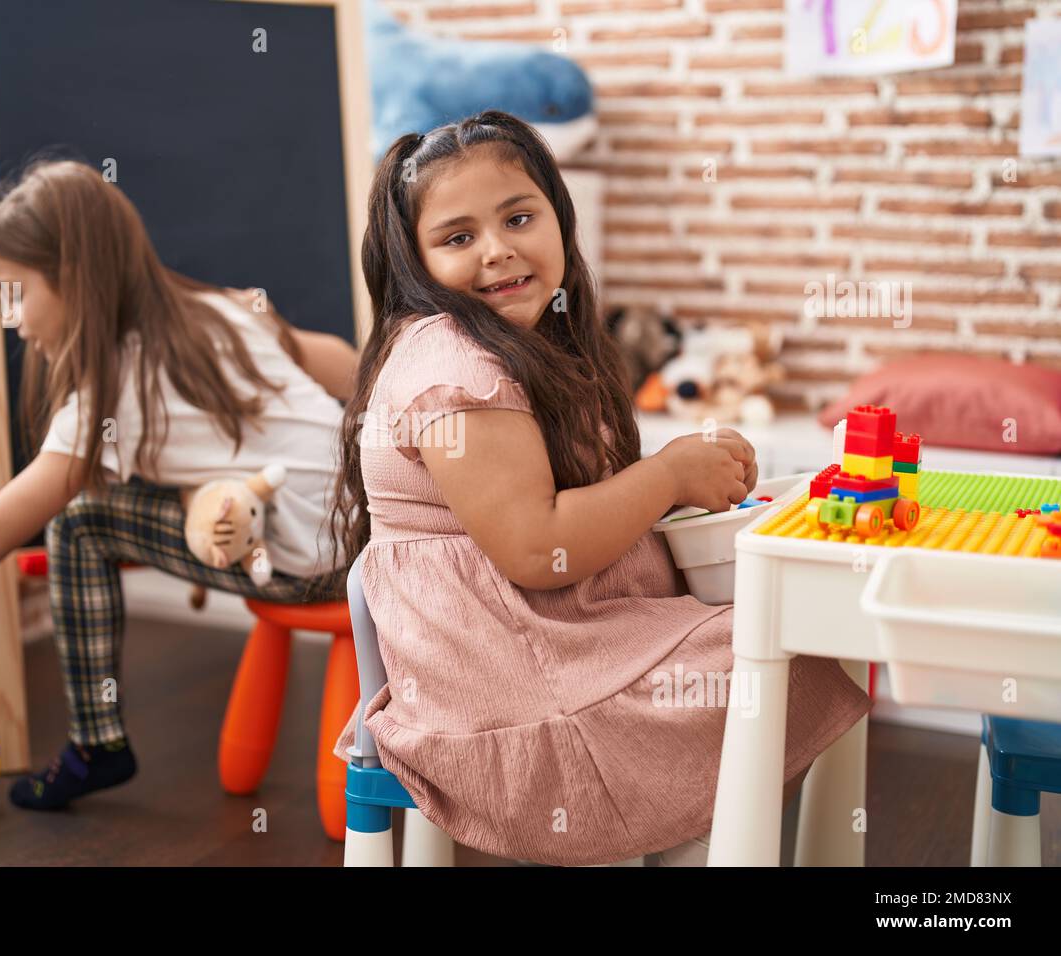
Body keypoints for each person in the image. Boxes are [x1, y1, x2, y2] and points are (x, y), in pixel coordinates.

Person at [324, 112, 871, 866]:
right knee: (774, 662)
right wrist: (667, 475)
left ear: (558, 214)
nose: (498, 249)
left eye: (519, 217)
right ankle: (683, 836)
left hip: (566, 642)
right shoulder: (455, 370)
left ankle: (684, 836)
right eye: (458, 238)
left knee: (789, 644)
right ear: (417, 263)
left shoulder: (535, 343)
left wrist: (681, 493)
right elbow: (536, 545)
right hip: (516, 687)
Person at [0, 160, 356, 810]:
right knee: (109, 506)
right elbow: (339, 362)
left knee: (77, 520)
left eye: (17, 295)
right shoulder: (223, 310)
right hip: (362, 533)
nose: (14, 322)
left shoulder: (108, 392)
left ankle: (95, 743)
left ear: (73, 278)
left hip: (306, 566)